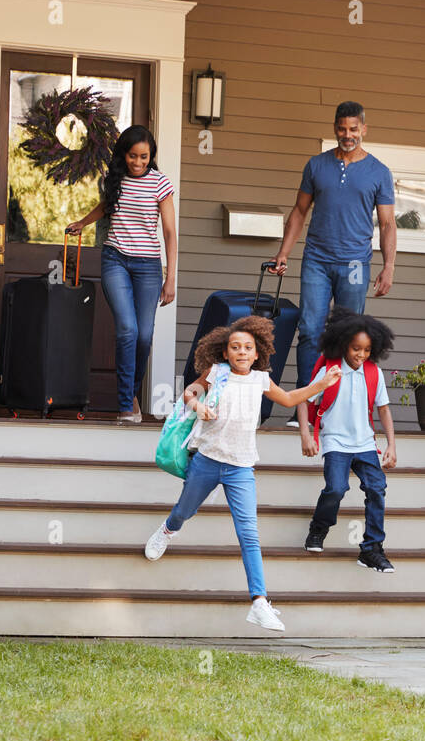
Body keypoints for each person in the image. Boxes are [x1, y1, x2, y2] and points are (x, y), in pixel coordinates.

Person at [144, 315, 340, 631]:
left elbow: (289, 398)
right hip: (207, 461)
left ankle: (259, 602)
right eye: (235, 347)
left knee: (249, 534)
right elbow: (189, 393)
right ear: (225, 352)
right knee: (184, 511)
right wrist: (199, 407)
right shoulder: (217, 372)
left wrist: (321, 385)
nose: (242, 352)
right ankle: (168, 530)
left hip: (241, 468)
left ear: (257, 352)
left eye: (248, 347)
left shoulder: (261, 380)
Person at [272, 100, 397, 428]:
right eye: (342, 129)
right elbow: (299, 211)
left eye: (354, 129)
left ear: (364, 129)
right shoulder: (316, 165)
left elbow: (387, 224)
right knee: (311, 330)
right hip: (317, 258)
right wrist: (283, 252)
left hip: (355, 262)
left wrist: (389, 266)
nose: (347, 135)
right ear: (335, 128)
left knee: (348, 334)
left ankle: (338, 410)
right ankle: (304, 408)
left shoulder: (379, 172)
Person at [67, 125, 177, 423]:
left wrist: (171, 277)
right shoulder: (113, 178)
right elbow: (107, 206)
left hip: (148, 267)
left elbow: (169, 231)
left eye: (144, 157)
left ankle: (132, 393)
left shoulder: (160, 184)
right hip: (115, 259)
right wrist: (83, 222)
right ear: (123, 154)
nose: (138, 162)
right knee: (127, 330)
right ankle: (126, 405)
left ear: (151, 156)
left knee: (144, 336)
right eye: (133, 156)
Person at [297, 307, 398, 572]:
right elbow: (303, 399)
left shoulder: (374, 373)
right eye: (355, 348)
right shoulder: (330, 371)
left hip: (365, 443)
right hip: (335, 443)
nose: (360, 355)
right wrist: (306, 436)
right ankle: (319, 528)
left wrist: (391, 445)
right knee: (336, 489)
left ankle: (372, 549)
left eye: (366, 350)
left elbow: (384, 409)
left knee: (376, 489)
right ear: (343, 344)